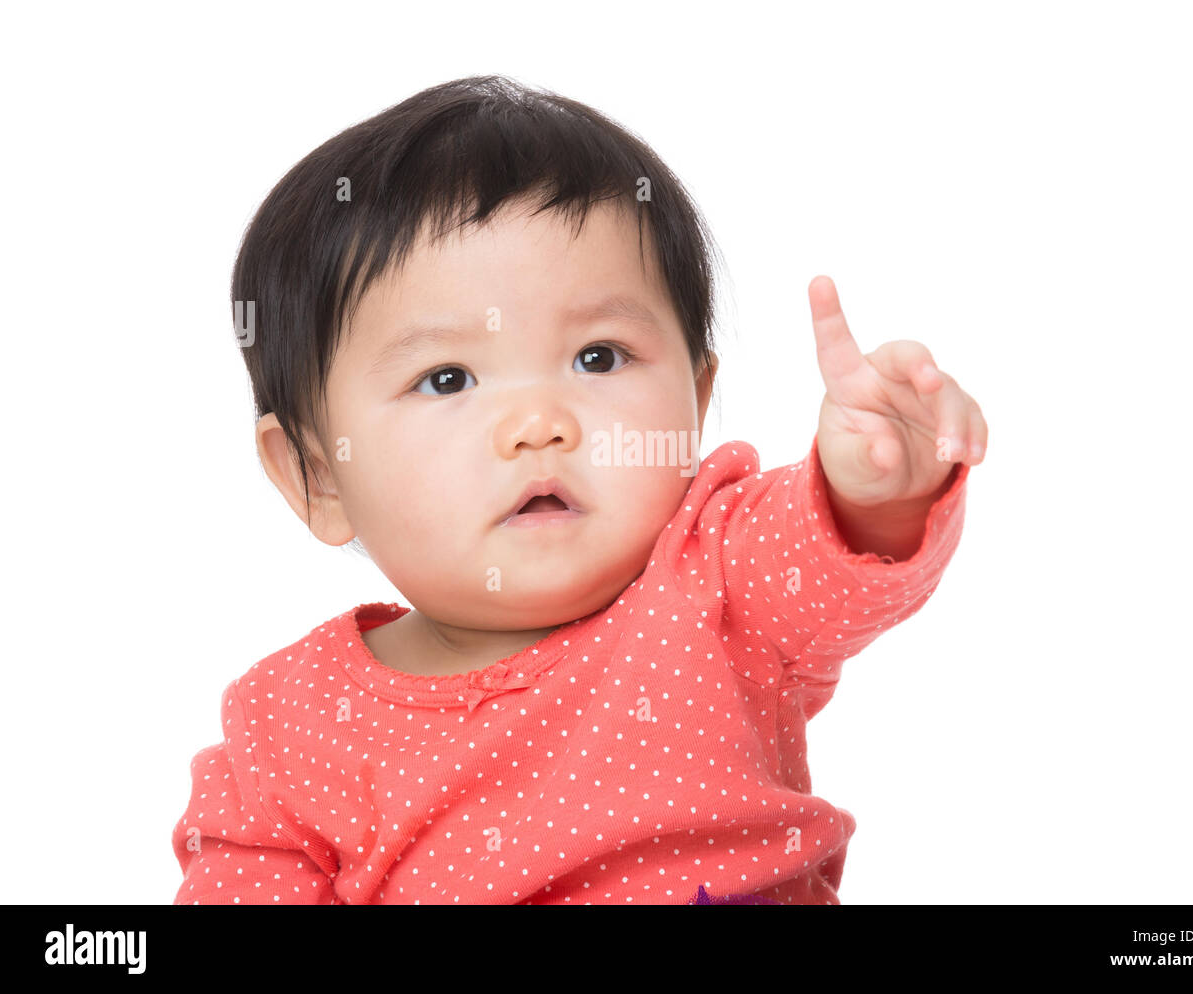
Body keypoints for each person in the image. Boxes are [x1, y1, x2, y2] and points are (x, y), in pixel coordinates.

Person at [172, 74, 986, 905]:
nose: (539, 423)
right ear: (316, 475)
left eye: (599, 357)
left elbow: (825, 556)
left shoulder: (724, 577)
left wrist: (879, 486)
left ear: (695, 406)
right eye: (447, 378)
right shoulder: (289, 730)